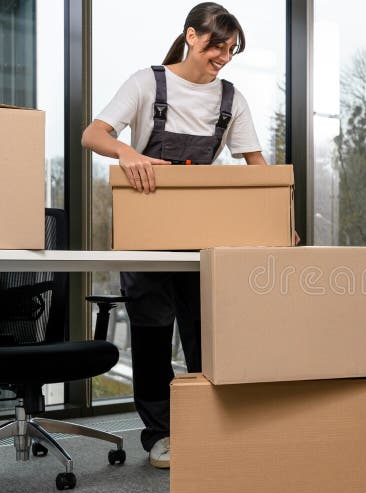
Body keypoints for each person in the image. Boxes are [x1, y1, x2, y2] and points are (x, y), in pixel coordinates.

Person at [81, 2, 265, 468]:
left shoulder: (231, 99)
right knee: (152, 334)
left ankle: (208, 428)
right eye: (216, 46)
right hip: (147, 233)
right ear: (191, 35)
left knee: (206, 338)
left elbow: (257, 170)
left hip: (204, 237)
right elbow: (93, 133)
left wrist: (277, 221)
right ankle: (160, 435)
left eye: (231, 50)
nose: (223, 56)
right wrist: (127, 152)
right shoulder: (148, 83)